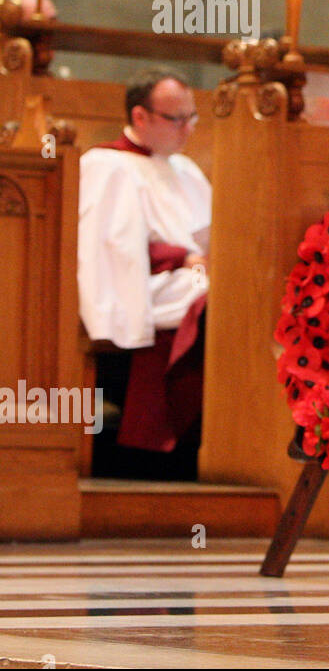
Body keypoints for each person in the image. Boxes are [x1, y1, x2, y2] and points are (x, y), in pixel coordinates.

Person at [78, 69, 211, 474]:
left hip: (187, 274)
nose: (187, 129)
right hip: (142, 284)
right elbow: (108, 246)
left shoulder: (186, 169)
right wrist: (180, 257)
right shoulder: (105, 164)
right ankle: (165, 443)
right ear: (140, 116)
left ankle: (212, 432)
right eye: (176, 119)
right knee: (204, 302)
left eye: (192, 117)